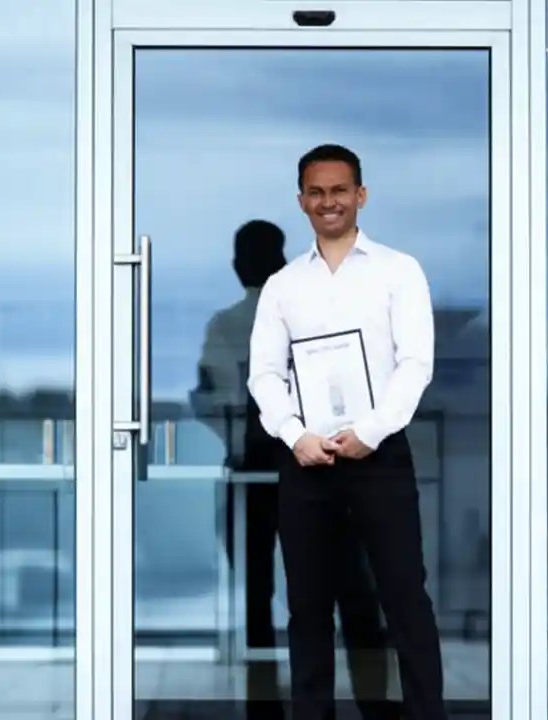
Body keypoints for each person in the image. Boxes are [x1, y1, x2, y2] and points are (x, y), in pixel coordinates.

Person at [248, 144, 446, 719]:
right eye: (316, 192)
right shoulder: (283, 286)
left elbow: (416, 364)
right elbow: (264, 373)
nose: (327, 202)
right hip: (307, 462)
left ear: (360, 195)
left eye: (339, 190)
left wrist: (371, 430)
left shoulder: (398, 270)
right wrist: (293, 434)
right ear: (301, 201)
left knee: (405, 600)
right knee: (309, 610)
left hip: (379, 457)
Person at [191, 218, 394, 719]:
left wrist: (237, 439)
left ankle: (265, 710)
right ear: (283, 258)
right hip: (319, 462)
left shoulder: (224, 324)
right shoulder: (311, 311)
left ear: (240, 266)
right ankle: (374, 704)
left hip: (253, 469)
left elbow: (207, 397)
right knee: (348, 588)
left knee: (257, 595)